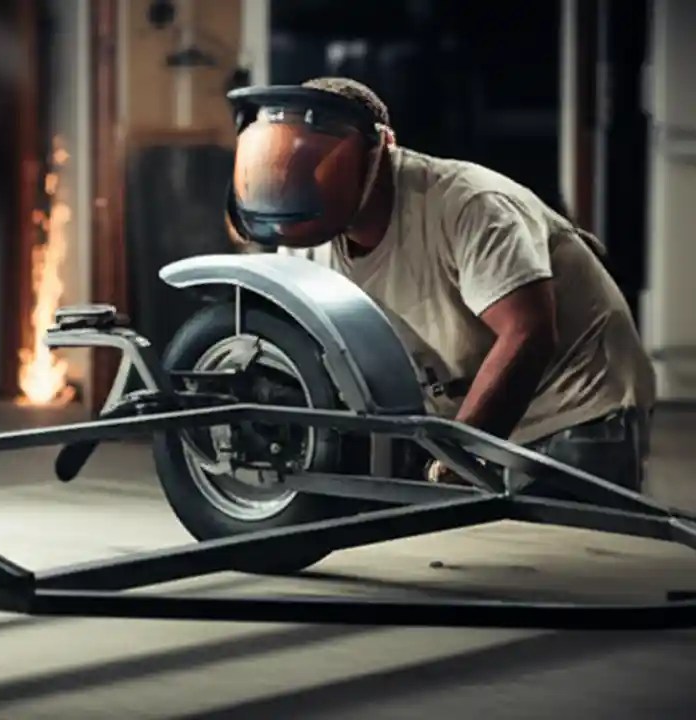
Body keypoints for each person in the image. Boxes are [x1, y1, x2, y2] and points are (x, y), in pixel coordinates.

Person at [224, 76, 656, 491]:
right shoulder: (310, 235)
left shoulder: (470, 206)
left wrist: (459, 455)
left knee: (567, 557)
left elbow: (529, 333)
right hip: (469, 416)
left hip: (575, 408)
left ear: (379, 147)